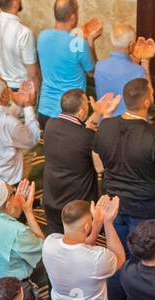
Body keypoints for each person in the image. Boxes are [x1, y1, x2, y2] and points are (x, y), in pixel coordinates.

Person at [94, 78, 155, 243]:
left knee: (118, 258)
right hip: (147, 211)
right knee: (146, 261)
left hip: (113, 206)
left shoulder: (104, 126)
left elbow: (99, 167)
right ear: (147, 102)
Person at [39, 88, 113, 234]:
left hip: (51, 199)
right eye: (87, 105)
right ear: (81, 112)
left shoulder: (50, 125)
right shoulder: (87, 137)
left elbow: (76, 131)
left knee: (55, 240)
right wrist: (106, 116)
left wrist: (98, 112)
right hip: (77, 206)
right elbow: (100, 168)